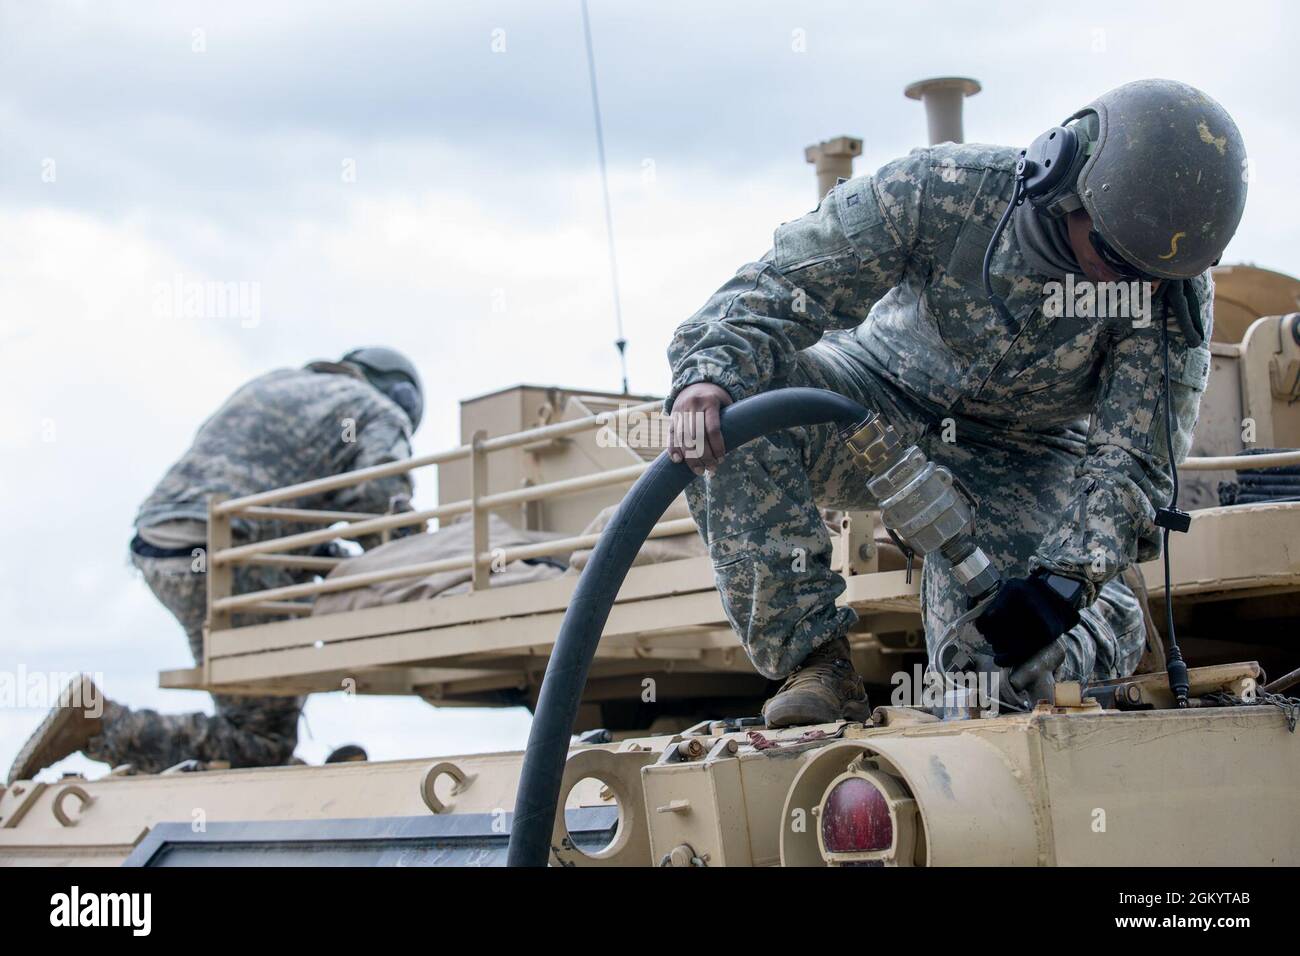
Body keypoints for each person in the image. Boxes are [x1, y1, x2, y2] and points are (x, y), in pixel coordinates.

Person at [665, 79, 1247, 727]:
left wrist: (1065, 582)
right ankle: (817, 666)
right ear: (1063, 181)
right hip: (876, 397)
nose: (1121, 282)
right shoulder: (938, 189)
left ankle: (1111, 615)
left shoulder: (1164, 290)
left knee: (993, 677)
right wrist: (706, 376)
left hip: (1025, 454)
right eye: (1111, 254)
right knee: (737, 403)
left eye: (1143, 272)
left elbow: (1134, 462)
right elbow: (780, 285)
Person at [9, 348, 424, 781]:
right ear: (401, 394)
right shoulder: (379, 410)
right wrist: (416, 561)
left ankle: (244, 765)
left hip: (166, 545)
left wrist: (335, 563)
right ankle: (104, 725)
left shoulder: (274, 381)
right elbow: (377, 498)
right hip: (231, 552)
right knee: (262, 738)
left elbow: (284, 518)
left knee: (250, 702)